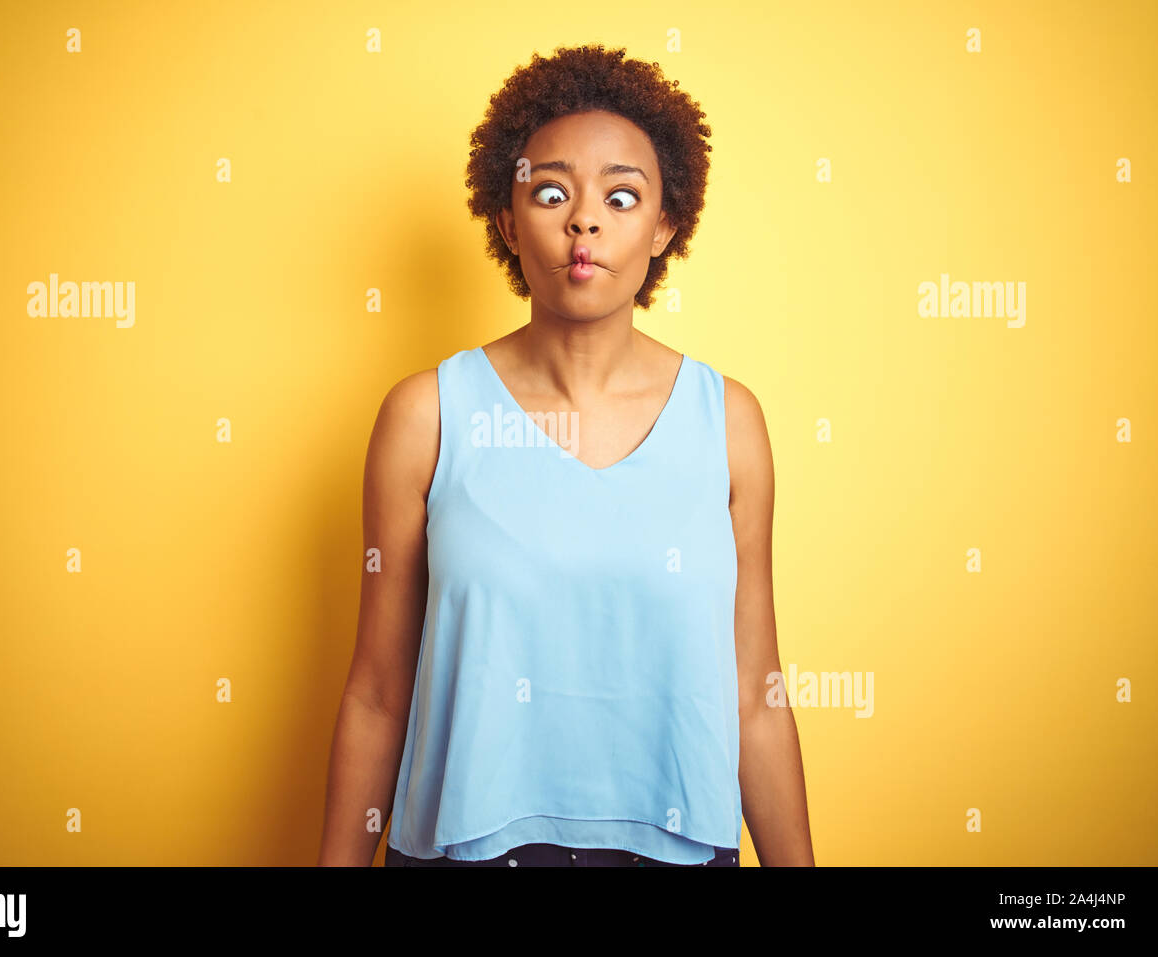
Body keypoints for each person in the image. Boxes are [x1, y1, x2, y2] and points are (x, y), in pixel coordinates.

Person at [318, 43, 814, 867]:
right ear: (507, 220)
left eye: (621, 197)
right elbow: (376, 692)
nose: (583, 220)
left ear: (664, 227)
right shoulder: (426, 416)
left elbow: (757, 696)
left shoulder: (727, 421)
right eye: (552, 192)